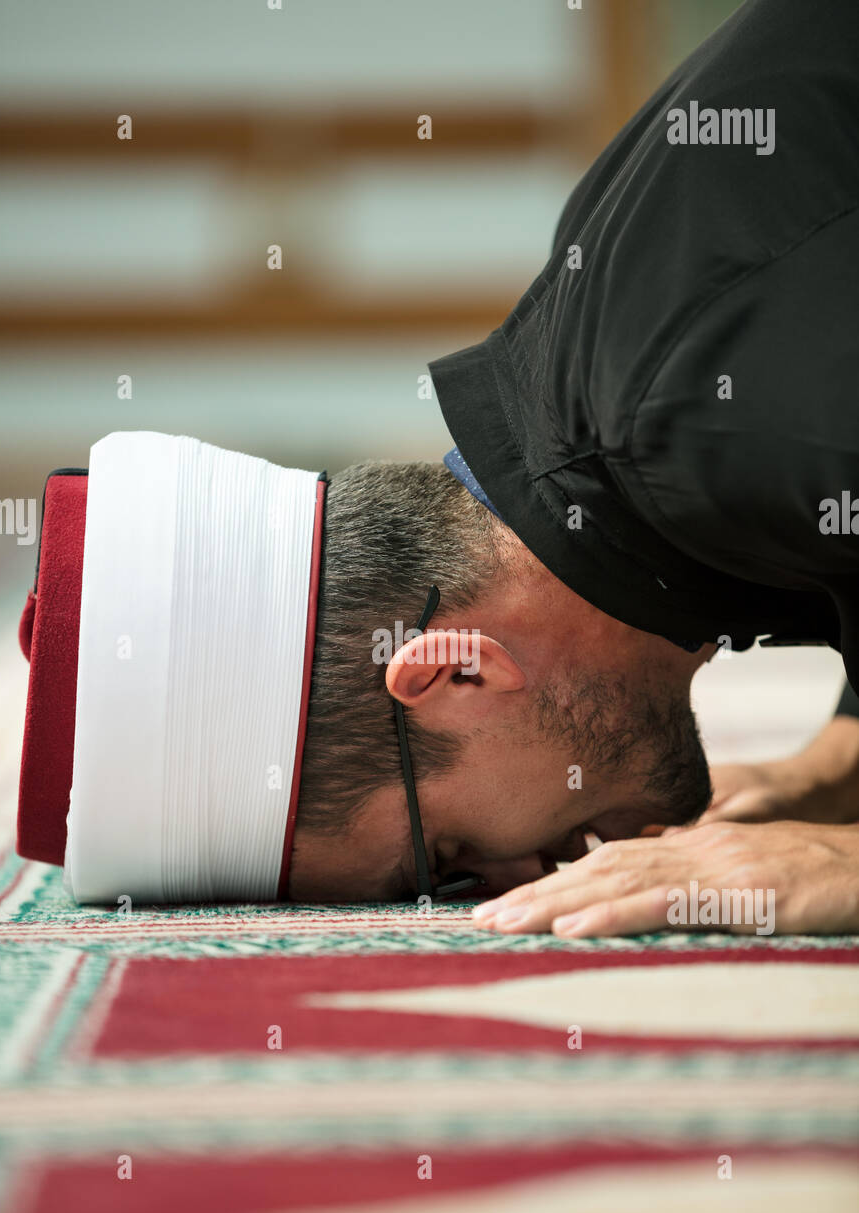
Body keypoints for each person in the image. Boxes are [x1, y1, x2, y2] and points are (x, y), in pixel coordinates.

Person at [290, 0, 859, 936]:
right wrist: (842, 755)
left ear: (455, 676)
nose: (528, 875)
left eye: (452, 858)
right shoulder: (618, 380)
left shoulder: (721, 421)